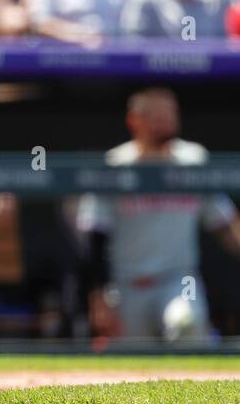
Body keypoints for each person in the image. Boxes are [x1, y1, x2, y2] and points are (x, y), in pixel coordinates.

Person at [77, 89, 240, 342]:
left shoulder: (192, 160)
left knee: (185, 322)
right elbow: (94, 237)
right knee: (129, 371)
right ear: (134, 120)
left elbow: (224, 223)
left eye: (170, 114)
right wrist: (98, 297)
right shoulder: (114, 165)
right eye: (157, 115)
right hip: (127, 285)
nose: (167, 121)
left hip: (179, 280)